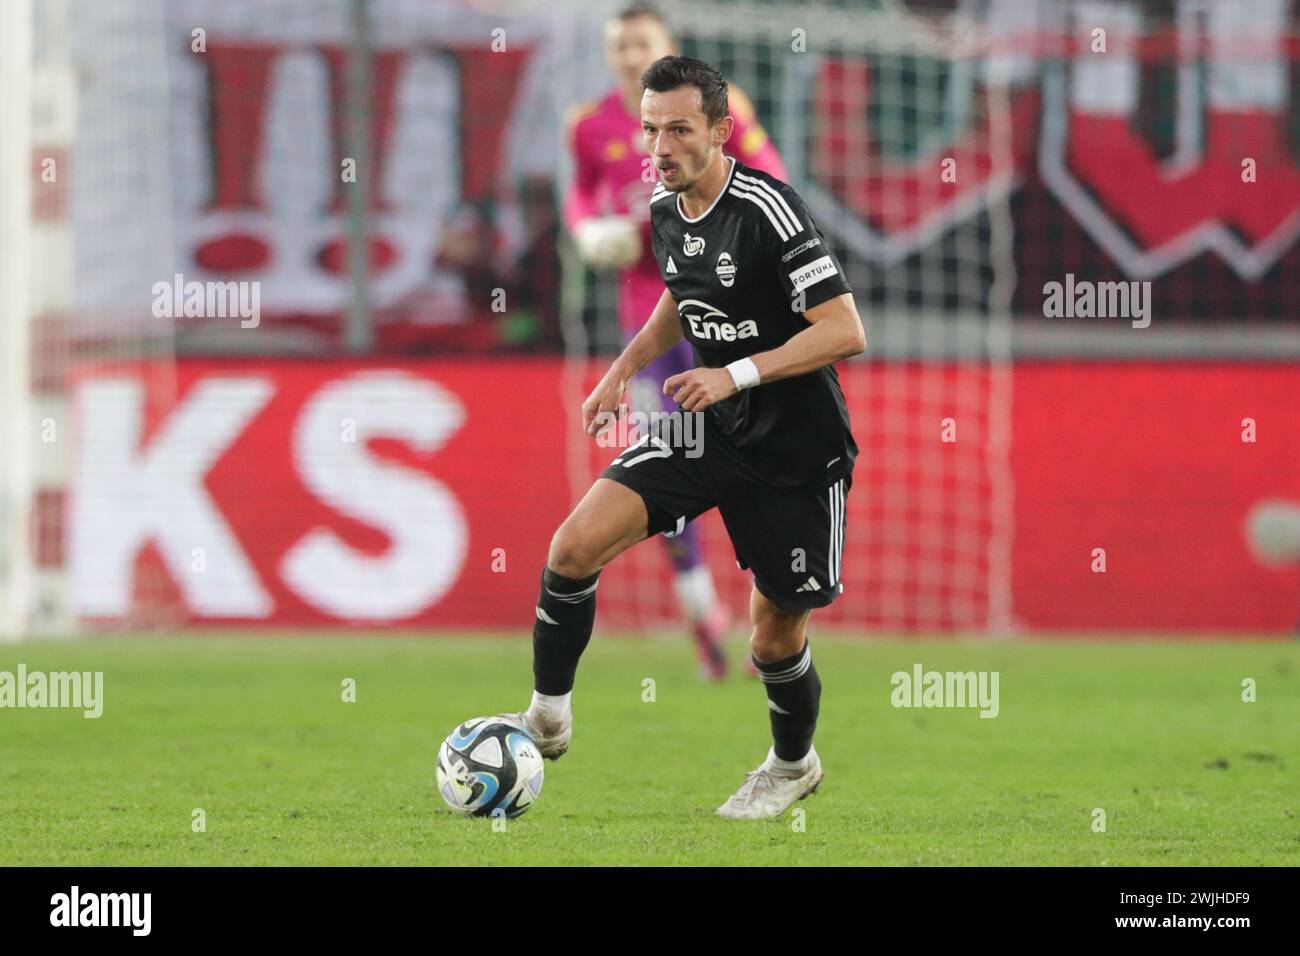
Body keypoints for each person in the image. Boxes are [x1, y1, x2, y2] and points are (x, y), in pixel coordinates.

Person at [509, 54, 865, 818]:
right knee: (572, 548)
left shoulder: (770, 209)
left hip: (795, 453)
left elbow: (844, 329)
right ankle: (545, 717)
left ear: (721, 132)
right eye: (649, 130)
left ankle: (793, 765)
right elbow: (682, 292)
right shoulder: (665, 209)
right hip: (708, 429)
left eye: (678, 130)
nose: (659, 147)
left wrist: (732, 374)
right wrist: (620, 370)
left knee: (771, 643)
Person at [565, 3, 788, 680]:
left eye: (641, 43)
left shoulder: (722, 113)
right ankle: (702, 618)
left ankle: (771, 621)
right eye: (620, 45)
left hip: (733, 318)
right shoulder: (591, 125)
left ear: (667, 47)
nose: (630, 55)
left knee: (758, 463)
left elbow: (773, 181)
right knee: (670, 462)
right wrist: (585, 230)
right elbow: (580, 194)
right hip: (652, 324)